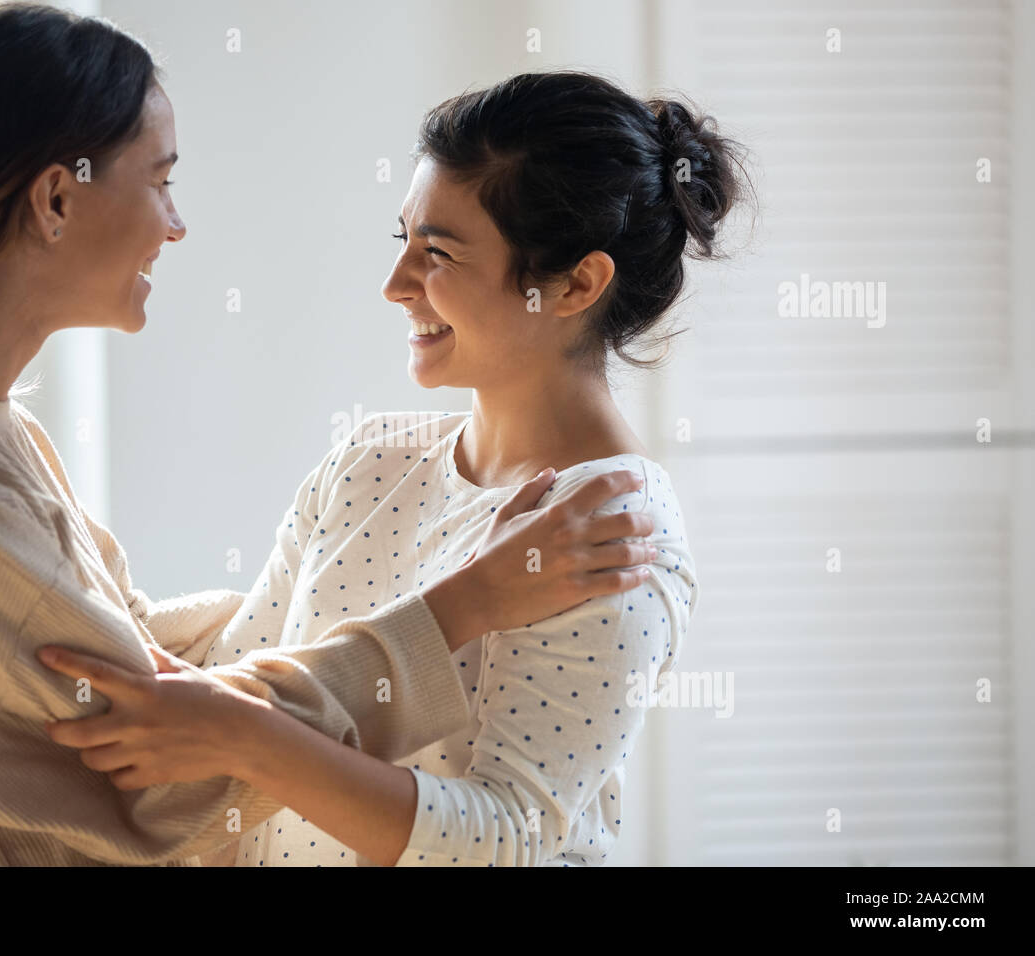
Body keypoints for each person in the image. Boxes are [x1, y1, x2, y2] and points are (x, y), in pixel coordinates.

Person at [0, 4, 653, 866]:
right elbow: (173, 767)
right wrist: (460, 606)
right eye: (162, 181)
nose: (177, 226)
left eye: (438, 251)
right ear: (56, 201)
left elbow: (133, 652)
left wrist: (335, 595)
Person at [39, 69, 751, 866]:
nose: (394, 285)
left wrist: (248, 741)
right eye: (402, 240)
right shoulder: (373, 459)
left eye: (438, 253)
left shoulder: (613, 526)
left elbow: (505, 837)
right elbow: (241, 679)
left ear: (574, 284)